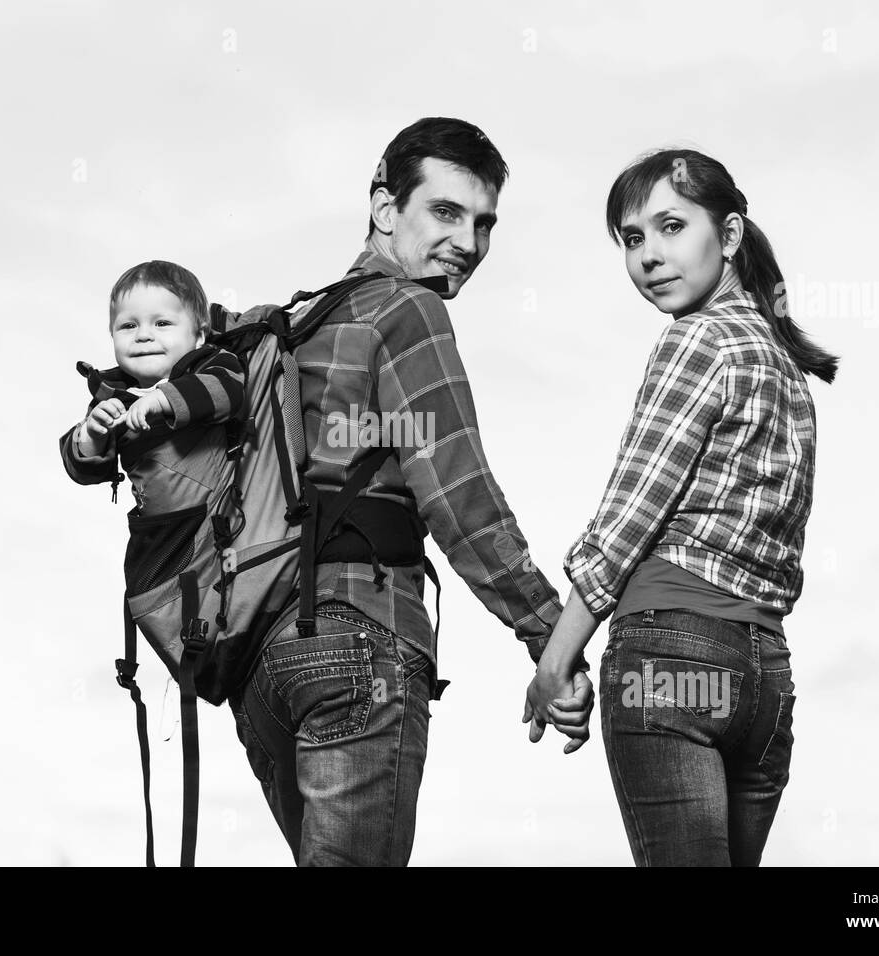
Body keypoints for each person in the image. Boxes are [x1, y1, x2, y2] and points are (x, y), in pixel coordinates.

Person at [226, 117, 595, 866]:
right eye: (446, 213)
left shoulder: (290, 324)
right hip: (359, 641)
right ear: (385, 208)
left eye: (484, 223)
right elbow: (460, 499)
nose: (469, 241)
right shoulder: (406, 310)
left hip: (263, 668)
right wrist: (553, 639)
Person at [525, 148, 838, 866]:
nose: (649, 257)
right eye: (633, 239)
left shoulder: (698, 341)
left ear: (728, 236)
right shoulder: (786, 369)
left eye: (671, 226)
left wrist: (554, 663)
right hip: (765, 681)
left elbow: (628, 519)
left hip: (670, 656)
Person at [58, 259, 245, 511]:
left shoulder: (212, 364)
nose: (143, 335)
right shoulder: (113, 397)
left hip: (222, 516)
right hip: (156, 531)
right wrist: (91, 434)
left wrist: (160, 399)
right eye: (128, 326)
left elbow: (227, 392)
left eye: (162, 323)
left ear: (199, 335)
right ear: (112, 334)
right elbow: (82, 472)